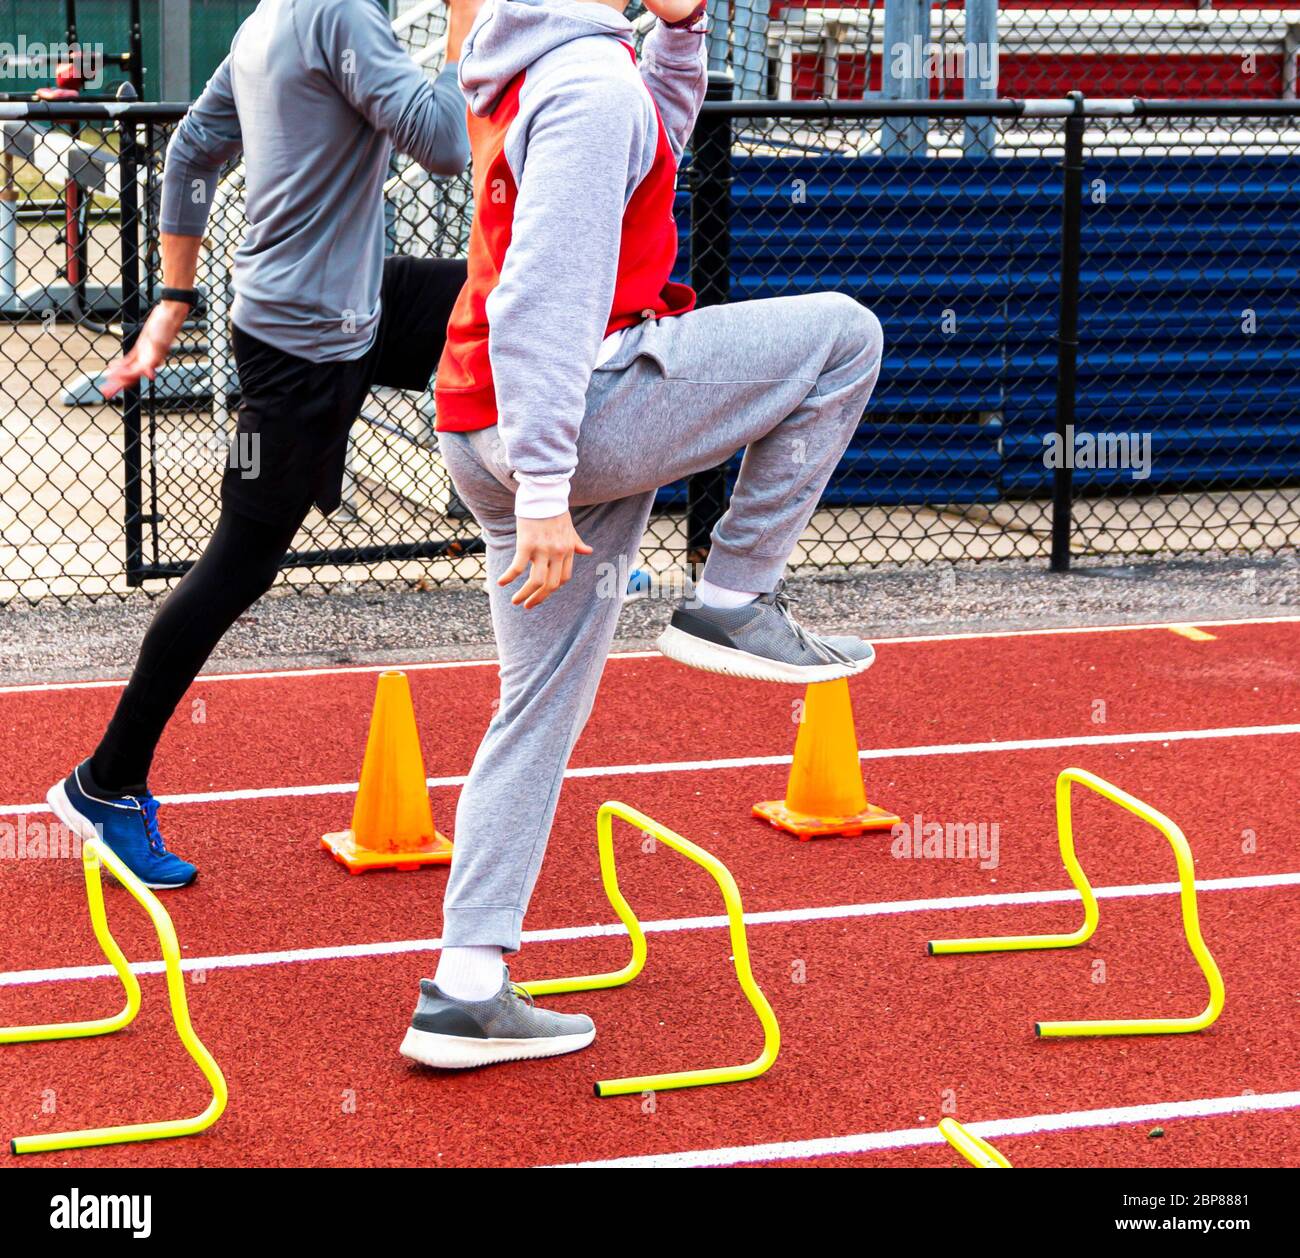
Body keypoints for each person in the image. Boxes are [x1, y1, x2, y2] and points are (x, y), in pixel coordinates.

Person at [399, 0, 884, 1070]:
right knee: (845, 336)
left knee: (534, 710)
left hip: (487, 423)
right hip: (572, 415)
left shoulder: (544, 65)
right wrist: (543, 487)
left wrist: (680, 33)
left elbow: (649, 149)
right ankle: (732, 596)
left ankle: (465, 989)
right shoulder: (587, 84)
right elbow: (545, 296)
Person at [48, 0, 483, 888]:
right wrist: (465, 22)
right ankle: (106, 783)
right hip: (301, 354)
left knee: (517, 306)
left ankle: (571, 501)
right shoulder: (340, 13)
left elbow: (193, 150)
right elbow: (443, 141)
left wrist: (173, 297)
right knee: (236, 564)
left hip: (349, 311)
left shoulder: (266, 19)